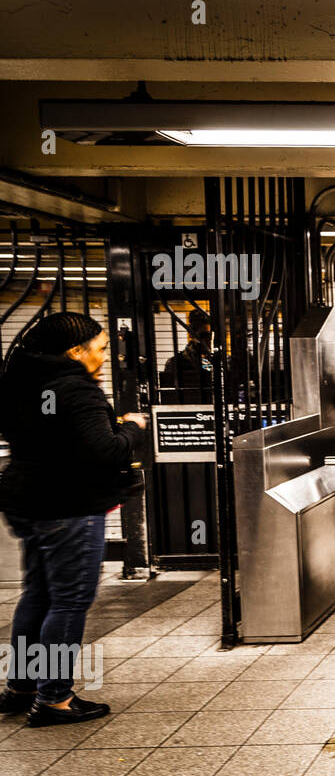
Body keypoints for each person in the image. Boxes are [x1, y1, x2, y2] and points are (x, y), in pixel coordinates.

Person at [0, 312, 148, 726]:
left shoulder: (19, 380)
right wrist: (132, 428)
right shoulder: (74, 388)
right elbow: (107, 452)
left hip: (28, 501)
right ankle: (55, 700)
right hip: (70, 506)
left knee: (38, 596)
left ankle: (22, 687)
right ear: (75, 351)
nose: (103, 358)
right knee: (68, 602)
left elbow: (51, 438)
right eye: (100, 349)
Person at [159, 311, 213, 403]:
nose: (209, 340)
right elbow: (171, 398)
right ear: (191, 334)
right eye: (204, 336)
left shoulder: (223, 360)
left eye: (211, 336)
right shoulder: (175, 362)